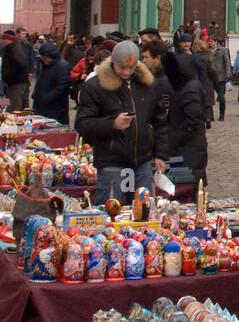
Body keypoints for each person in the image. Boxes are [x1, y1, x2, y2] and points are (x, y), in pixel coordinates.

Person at [76, 40, 168, 207]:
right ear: (113, 64)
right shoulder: (94, 86)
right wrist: (112, 124)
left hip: (142, 160)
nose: (126, 72)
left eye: (131, 68)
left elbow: (159, 120)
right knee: (110, 212)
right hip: (111, 161)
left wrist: (160, 153)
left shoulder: (147, 84)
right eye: (122, 68)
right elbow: (83, 124)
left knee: (145, 211)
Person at [162, 49, 208, 190]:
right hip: (188, 150)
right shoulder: (185, 87)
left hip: (189, 151)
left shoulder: (190, 89)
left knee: (188, 190)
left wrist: (174, 137)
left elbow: (193, 121)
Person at [32, 41, 71, 124]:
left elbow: (62, 86)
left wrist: (47, 98)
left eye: (45, 57)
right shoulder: (46, 65)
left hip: (55, 107)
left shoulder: (62, 66)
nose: (43, 59)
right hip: (43, 105)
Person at [1, 29, 30, 110]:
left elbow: (22, 64)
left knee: (14, 106)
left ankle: (14, 120)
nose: (2, 41)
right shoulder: (9, 48)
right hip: (9, 83)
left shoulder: (16, 49)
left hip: (16, 84)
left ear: (8, 39)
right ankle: (5, 115)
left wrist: (9, 74)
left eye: (4, 39)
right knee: (6, 102)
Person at [211, 38, 232, 121]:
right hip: (211, 77)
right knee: (210, 97)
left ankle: (222, 115)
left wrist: (228, 73)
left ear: (216, 42)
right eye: (209, 41)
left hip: (221, 77)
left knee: (221, 96)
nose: (210, 43)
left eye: (211, 41)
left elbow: (227, 62)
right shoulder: (209, 51)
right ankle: (210, 115)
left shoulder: (223, 50)